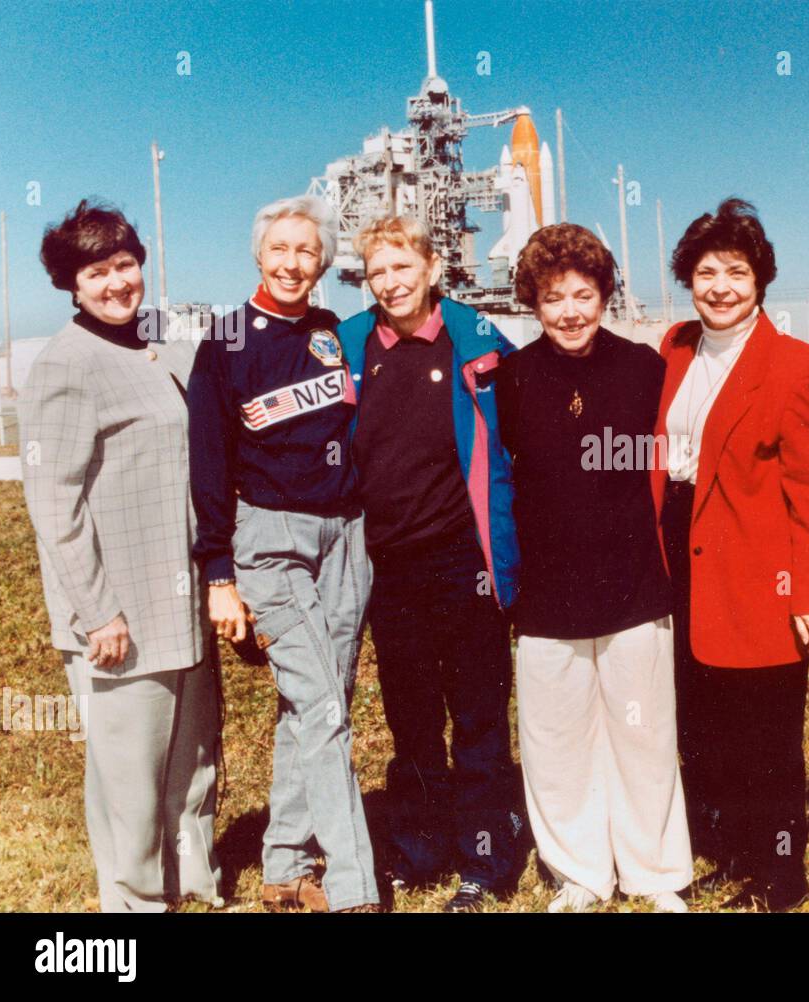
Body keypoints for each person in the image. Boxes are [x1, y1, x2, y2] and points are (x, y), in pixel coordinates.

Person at [20, 199, 221, 912]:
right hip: (118, 612)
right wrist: (96, 611)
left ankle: (191, 884)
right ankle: (134, 904)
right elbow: (53, 502)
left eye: (126, 265)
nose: (117, 282)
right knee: (129, 775)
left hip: (179, 598)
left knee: (192, 763)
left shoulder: (152, 345)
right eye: (98, 271)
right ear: (71, 283)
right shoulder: (67, 364)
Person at [188, 195, 379, 913]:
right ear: (259, 254)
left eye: (307, 251)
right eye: (281, 249)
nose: (293, 263)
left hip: (346, 536)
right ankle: (357, 886)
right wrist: (218, 573)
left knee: (320, 701)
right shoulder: (226, 339)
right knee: (323, 705)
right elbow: (208, 465)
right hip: (269, 539)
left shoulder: (333, 332)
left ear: (324, 261)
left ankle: (282, 867)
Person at [653, 198, 809, 911]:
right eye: (706, 272)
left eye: (736, 271)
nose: (721, 287)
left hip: (759, 565)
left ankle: (780, 871)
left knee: (764, 730)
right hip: (678, 550)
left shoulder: (798, 366)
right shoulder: (673, 348)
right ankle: (726, 849)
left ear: (760, 279)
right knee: (696, 722)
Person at [497, 223, 693, 913]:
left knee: (642, 732)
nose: (571, 311)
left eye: (584, 294)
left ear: (605, 295)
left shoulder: (644, 369)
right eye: (554, 298)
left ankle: (656, 871)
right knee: (555, 739)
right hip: (547, 594)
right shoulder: (511, 379)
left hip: (634, 584)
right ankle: (578, 869)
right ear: (534, 303)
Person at [336, 215, 525, 913]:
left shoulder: (477, 337)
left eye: (401, 266)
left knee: (477, 713)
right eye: (377, 271)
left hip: (465, 561)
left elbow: (520, 443)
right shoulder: (352, 343)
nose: (390, 282)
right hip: (389, 564)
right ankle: (419, 846)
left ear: (432, 266)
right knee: (410, 714)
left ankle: (487, 856)